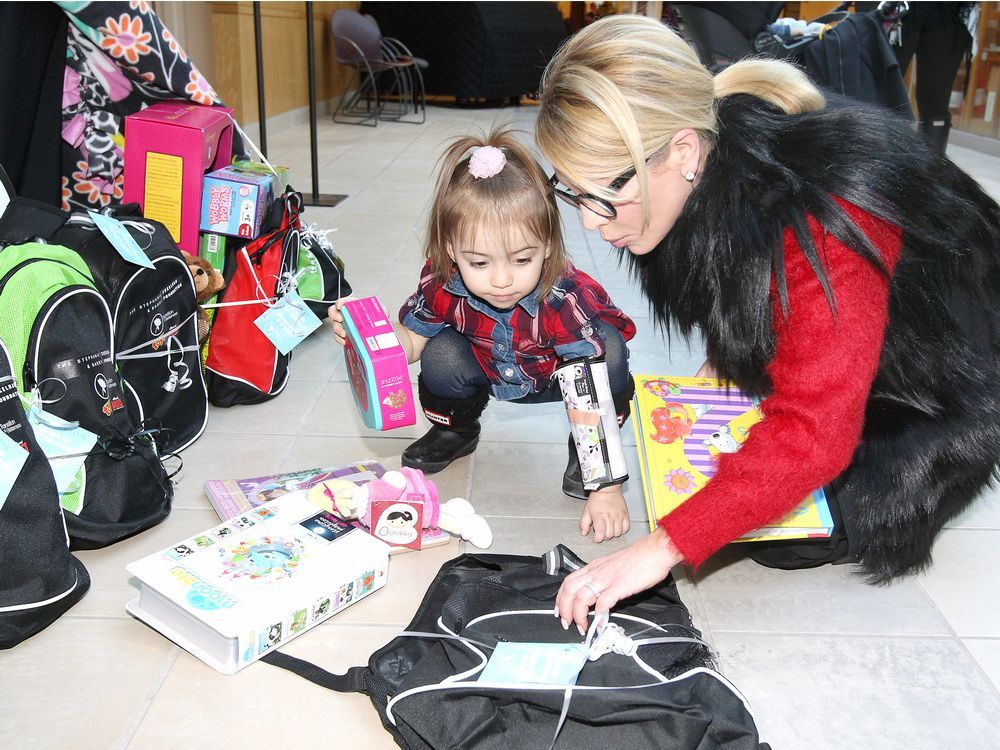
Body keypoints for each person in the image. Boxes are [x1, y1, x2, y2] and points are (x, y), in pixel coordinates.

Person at [535, 15, 1000, 635]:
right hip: (870, 344)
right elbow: (737, 282)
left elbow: (814, 432)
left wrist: (658, 550)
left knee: (785, 537)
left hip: (938, 398)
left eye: (602, 193)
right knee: (746, 497)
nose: (590, 223)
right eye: (571, 192)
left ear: (683, 152)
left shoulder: (824, 221)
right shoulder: (714, 159)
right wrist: (729, 352)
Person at [329, 128, 638, 543]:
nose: (502, 279)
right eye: (479, 263)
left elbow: (588, 387)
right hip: (490, 370)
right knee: (440, 351)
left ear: (548, 245)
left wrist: (606, 488)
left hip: (562, 379)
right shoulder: (442, 283)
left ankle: (585, 452)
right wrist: (369, 339)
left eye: (522, 259)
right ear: (450, 250)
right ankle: (456, 430)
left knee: (608, 351)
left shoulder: (563, 297)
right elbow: (412, 342)